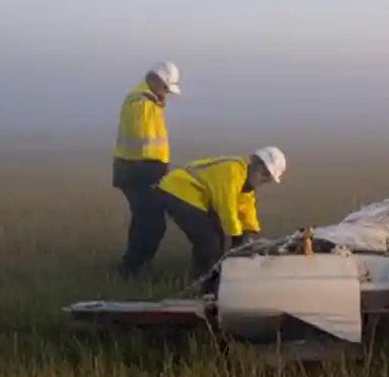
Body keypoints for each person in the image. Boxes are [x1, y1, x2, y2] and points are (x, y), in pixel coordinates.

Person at [152, 147, 287, 292]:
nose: (264, 180)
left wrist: (249, 233)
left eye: (268, 179)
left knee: (218, 240)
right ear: (256, 164)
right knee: (209, 242)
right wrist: (237, 239)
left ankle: (215, 282)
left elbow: (246, 208)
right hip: (178, 190)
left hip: (192, 196)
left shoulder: (245, 180)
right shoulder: (232, 171)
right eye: (265, 174)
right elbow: (226, 207)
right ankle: (200, 287)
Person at [112, 60, 182, 279]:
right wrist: (155, 178)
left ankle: (134, 267)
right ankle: (132, 269)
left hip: (136, 171)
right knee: (152, 224)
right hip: (140, 173)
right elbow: (146, 146)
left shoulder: (145, 101)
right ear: (155, 80)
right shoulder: (141, 104)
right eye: (165, 88)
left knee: (145, 221)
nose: (166, 94)